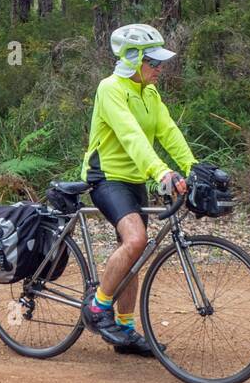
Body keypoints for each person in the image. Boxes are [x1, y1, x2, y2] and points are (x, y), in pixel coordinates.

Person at [80, 22, 195, 357]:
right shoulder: (110, 88)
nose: (160, 69)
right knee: (136, 240)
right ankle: (99, 307)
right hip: (107, 178)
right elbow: (130, 136)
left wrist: (192, 167)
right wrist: (161, 172)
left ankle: (126, 330)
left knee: (135, 256)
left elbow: (168, 131)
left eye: (160, 63)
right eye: (154, 62)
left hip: (134, 179)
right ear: (133, 59)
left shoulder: (149, 92)